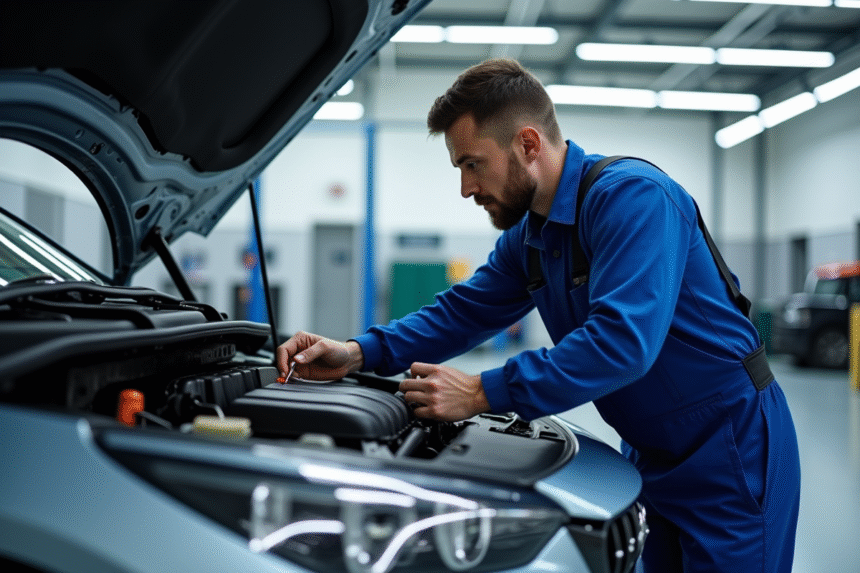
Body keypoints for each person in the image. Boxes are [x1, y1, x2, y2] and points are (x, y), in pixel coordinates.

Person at [276, 59, 800, 572]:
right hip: (651, 454)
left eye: (472, 164)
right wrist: (358, 352)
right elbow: (462, 311)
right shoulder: (530, 239)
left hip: (729, 449)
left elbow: (622, 343)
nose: (465, 188)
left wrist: (481, 392)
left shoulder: (633, 199)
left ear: (528, 144)